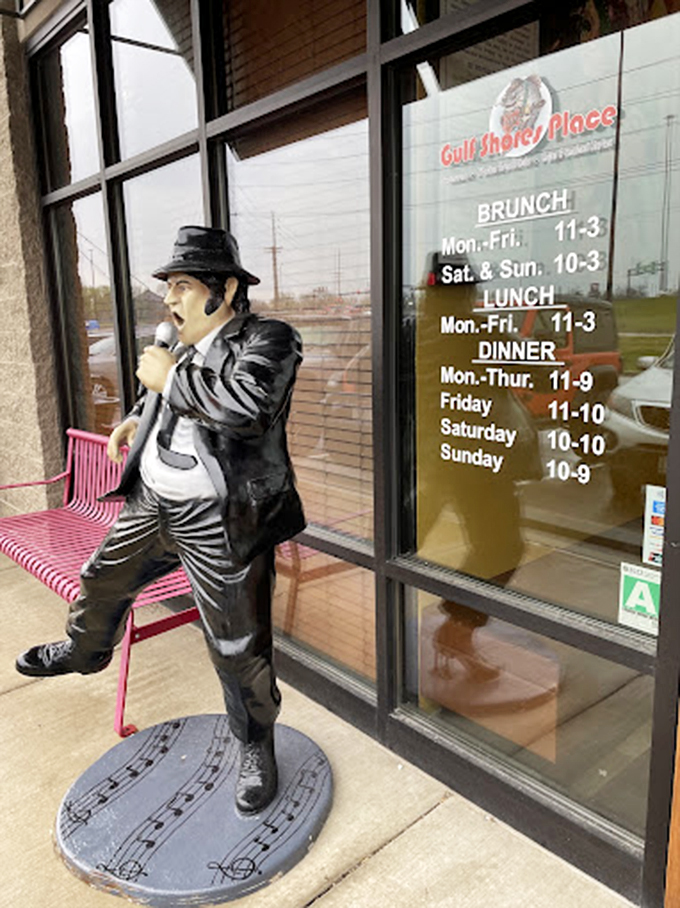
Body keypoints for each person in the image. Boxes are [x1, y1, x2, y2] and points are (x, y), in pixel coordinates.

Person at [15, 226, 306, 815]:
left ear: (225, 290)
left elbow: (247, 408)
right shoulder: (181, 346)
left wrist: (169, 379)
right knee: (102, 579)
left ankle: (255, 744)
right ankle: (85, 650)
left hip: (220, 518)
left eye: (183, 285)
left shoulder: (269, 339)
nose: (170, 298)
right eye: (169, 286)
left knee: (237, 645)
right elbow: (164, 396)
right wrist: (136, 417)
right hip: (153, 502)